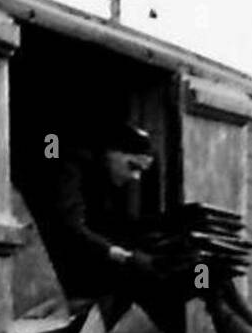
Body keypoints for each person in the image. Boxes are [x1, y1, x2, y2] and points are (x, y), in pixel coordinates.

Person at [36, 122, 164, 322]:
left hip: (96, 259)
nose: (135, 177)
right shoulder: (71, 169)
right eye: (132, 166)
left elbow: (116, 223)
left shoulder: (111, 180)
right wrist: (111, 250)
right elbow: (69, 226)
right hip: (66, 266)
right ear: (112, 152)